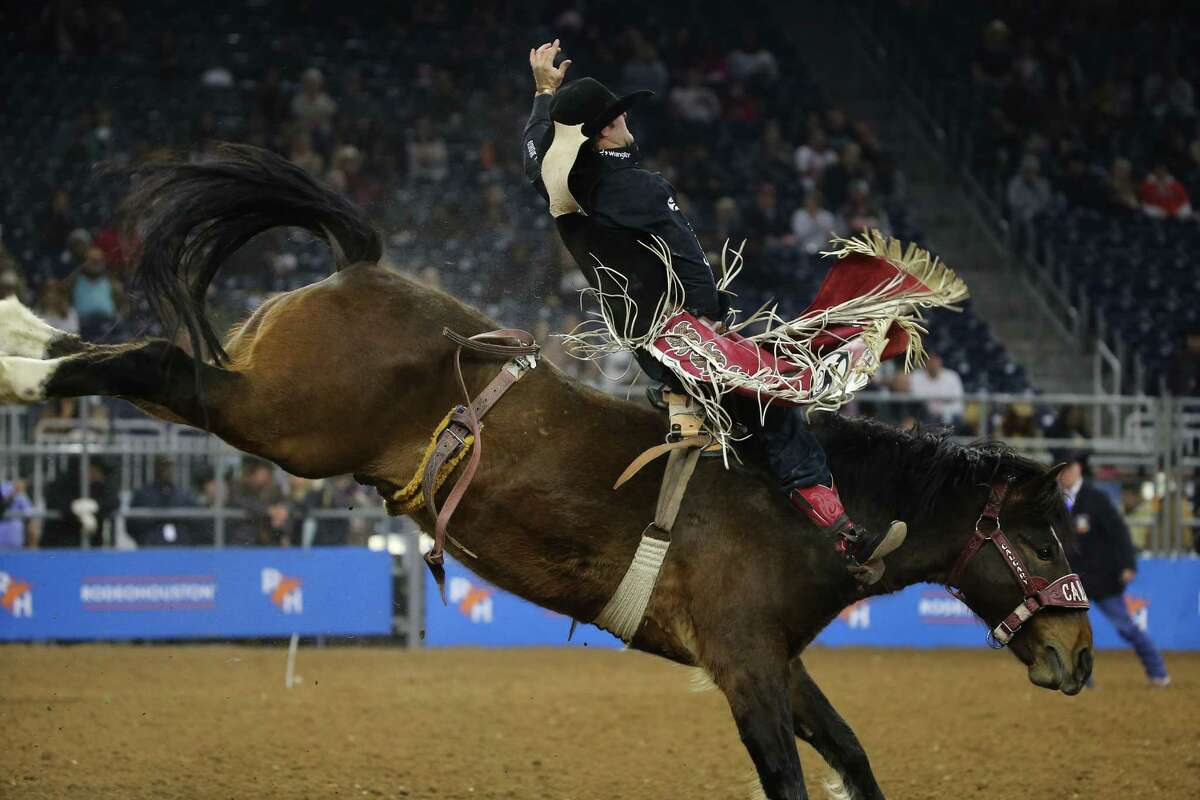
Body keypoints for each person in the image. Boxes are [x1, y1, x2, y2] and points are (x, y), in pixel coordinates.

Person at [521, 40, 905, 578]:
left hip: (641, 341)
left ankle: (684, 411)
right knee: (777, 402)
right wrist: (712, 313)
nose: (626, 118)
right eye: (617, 115)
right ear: (604, 131)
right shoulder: (634, 185)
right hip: (680, 336)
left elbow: (535, 146)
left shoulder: (560, 184)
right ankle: (842, 537)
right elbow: (685, 253)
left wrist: (544, 93)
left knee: (756, 409)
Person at [1058, 454, 1170, 687]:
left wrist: (1129, 564)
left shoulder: (1096, 498)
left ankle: (1158, 671)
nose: (1062, 475)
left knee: (1126, 628)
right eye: (1059, 471)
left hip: (1103, 577)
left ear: (1077, 469)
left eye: (1066, 470)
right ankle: (1083, 678)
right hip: (1076, 578)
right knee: (1073, 631)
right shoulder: (1059, 501)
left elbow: (1119, 532)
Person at [127, 457, 199, 546]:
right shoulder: (143, 494)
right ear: (155, 468)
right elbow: (131, 524)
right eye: (163, 466)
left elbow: (196, 521)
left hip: (180, 545)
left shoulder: (183, 494)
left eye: (169, 466)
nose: (167, 470)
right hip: (151, 545)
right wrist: (143, 539)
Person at [908, 353, 964, 427]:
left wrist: (935, 400)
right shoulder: (916, 376)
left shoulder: (952, 376)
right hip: (925, 414)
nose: (933, 363)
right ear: (925, 362)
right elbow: (917, 397)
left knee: (950, 418)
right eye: (930, 360)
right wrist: (941, 400)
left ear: (940, 361)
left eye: (935, 360)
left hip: (951, 413)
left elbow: (956, 398)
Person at [0, 479, 33, 550]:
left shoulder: (22, 496)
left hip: (15, 536)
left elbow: (29, 514)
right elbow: (3, 506)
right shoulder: (5, 488)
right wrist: (15, 491)